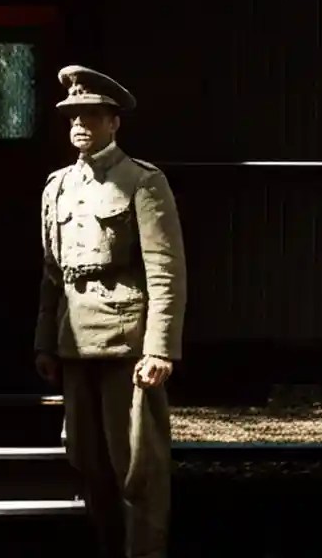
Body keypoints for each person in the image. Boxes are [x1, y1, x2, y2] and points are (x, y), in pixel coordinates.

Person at [34, 64, 187, 558]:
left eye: (91, 114)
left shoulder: (142, 181)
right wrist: (45, 341)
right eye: (73, 114)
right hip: (75, 342)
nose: (79, 122)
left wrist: (160, 348)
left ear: (113, 121)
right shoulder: (56, 187)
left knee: (138, 469)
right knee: (88, 462)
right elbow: (53, 275)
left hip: (127, 345)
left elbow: (165, 271)